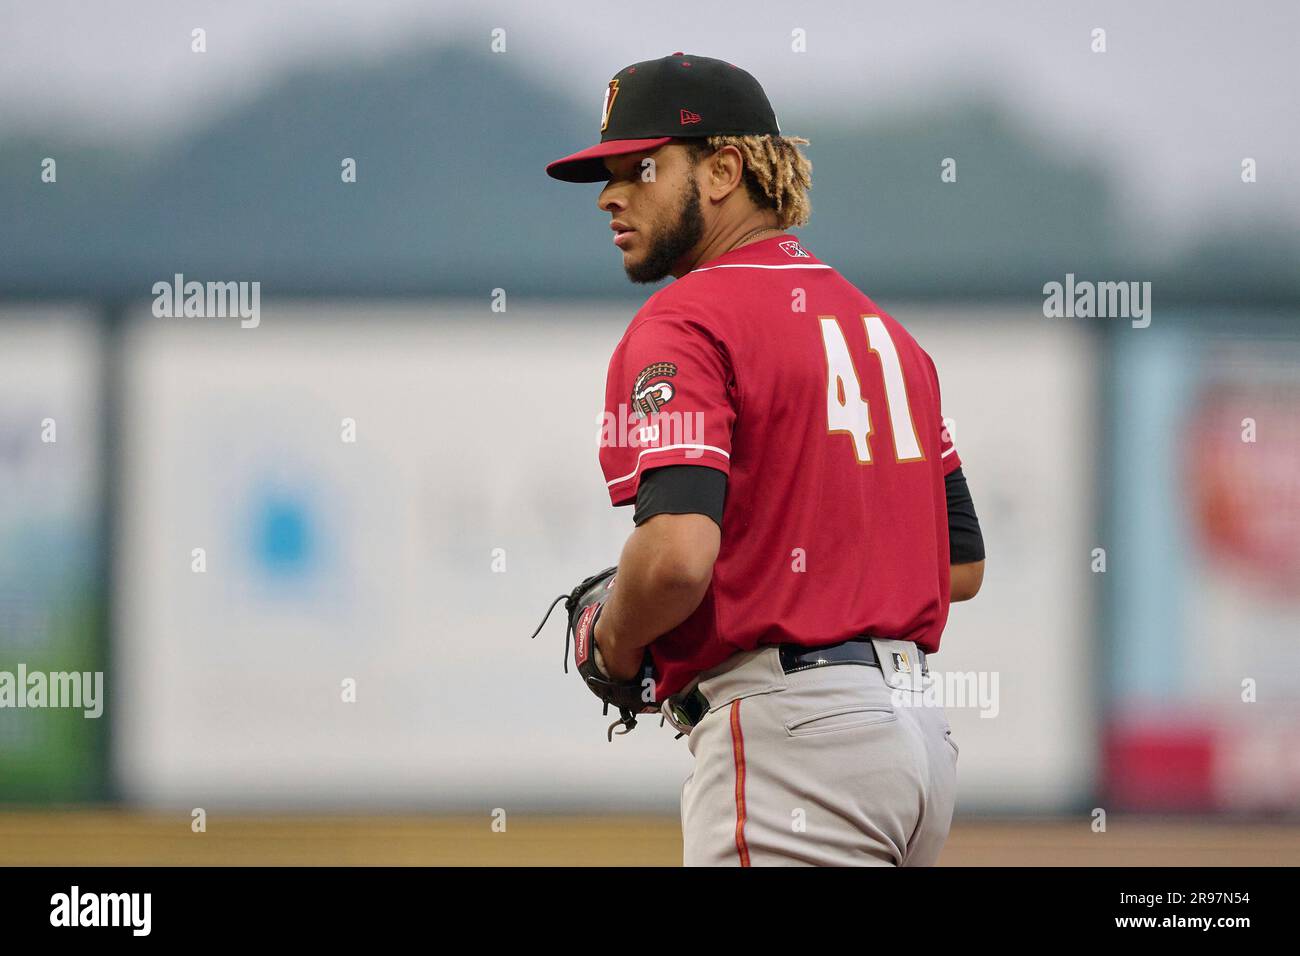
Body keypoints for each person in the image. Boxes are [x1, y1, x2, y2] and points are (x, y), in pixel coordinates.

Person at [546, 52, 985, 866]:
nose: (610, 193)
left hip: (794, 744)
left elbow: (676, 559)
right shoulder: (885, 333)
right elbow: (959, 563)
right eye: (605, 174)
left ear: (723, 169)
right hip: (918, 740)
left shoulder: (685, 322)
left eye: (640, 167)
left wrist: (614, 635)